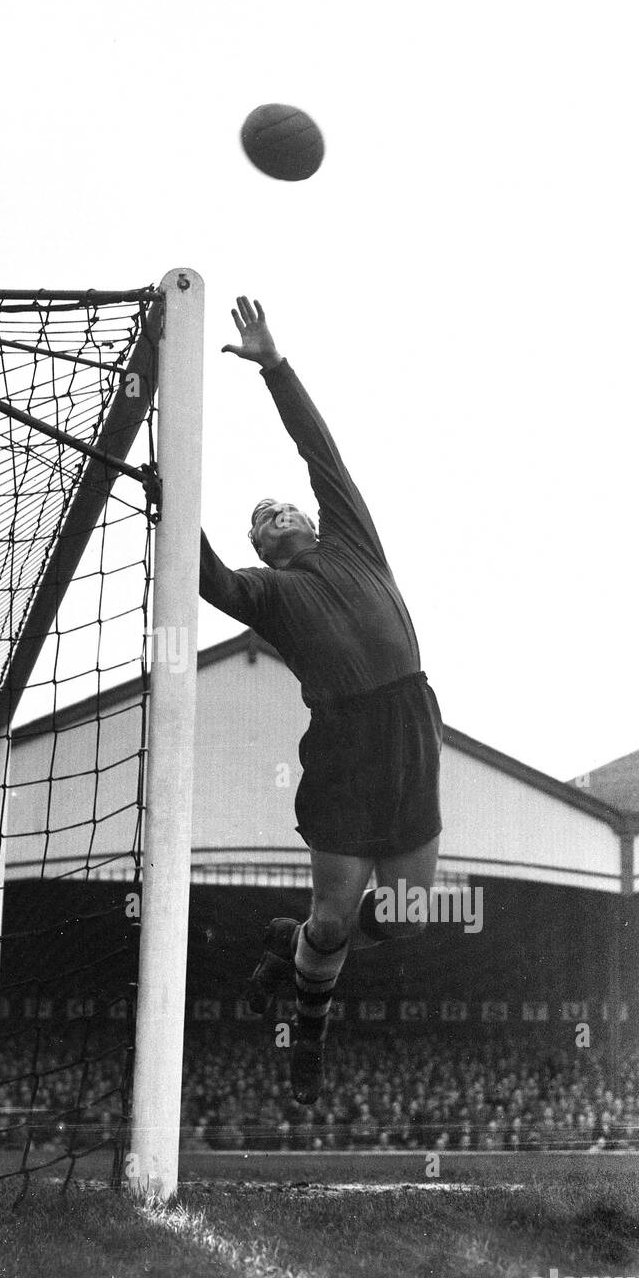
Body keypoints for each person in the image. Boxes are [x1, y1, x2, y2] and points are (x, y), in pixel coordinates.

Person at [199, 297, 443, 1104]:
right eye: (258, 519)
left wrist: (275, 366)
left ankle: (292, 941)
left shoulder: (351, 538)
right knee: (335, 924)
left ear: (306, 517)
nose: (274, 513)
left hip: (409, 725)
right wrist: (173, 509)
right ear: (260, 546)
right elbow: (208, 581)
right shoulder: (265, 593)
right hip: (342, 745)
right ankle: (309, 1038)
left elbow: (318, 451)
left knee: (406, 913)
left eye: (280, 506)